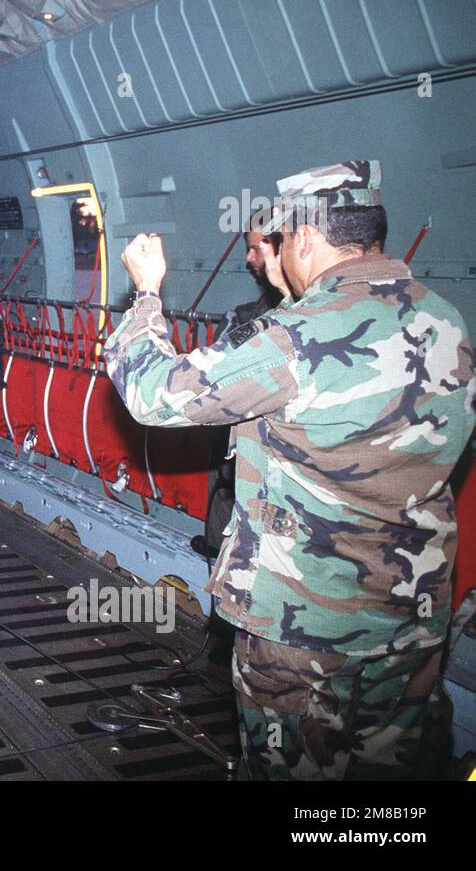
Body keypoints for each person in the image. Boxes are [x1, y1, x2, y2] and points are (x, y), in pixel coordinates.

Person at [102, 160, 475, 779]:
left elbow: (154, 394)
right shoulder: (446, 320)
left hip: (304, 623)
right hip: (409, 613)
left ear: (304, 238)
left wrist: (145, 294)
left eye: (279, 241)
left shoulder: (293, 337)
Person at [194, 218, 288, 559]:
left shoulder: (303, 324)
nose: (249, 260)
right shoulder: (243, 320)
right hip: (237, 478)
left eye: (257, 249)